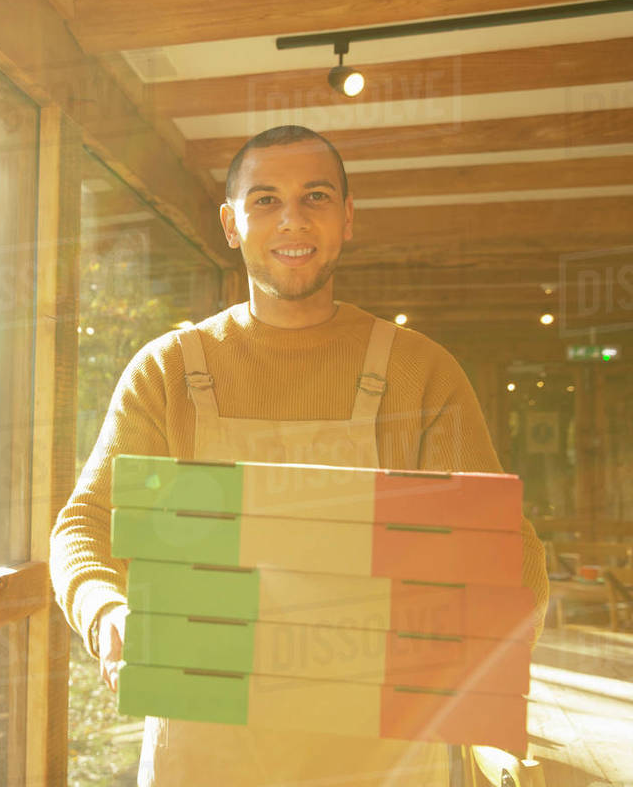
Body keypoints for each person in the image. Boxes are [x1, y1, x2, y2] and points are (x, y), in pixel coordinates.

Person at [49, 124, 549, 786]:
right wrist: (106, 612)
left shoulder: (420, 373)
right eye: (265, 200)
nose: (292, 218)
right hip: (203, 755)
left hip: (385, 758)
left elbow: (509, 549)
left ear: (347, 218)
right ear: (231, 223)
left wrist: (476, 664)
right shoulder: (168, 371)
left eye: (315, 197)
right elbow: (84, 524)